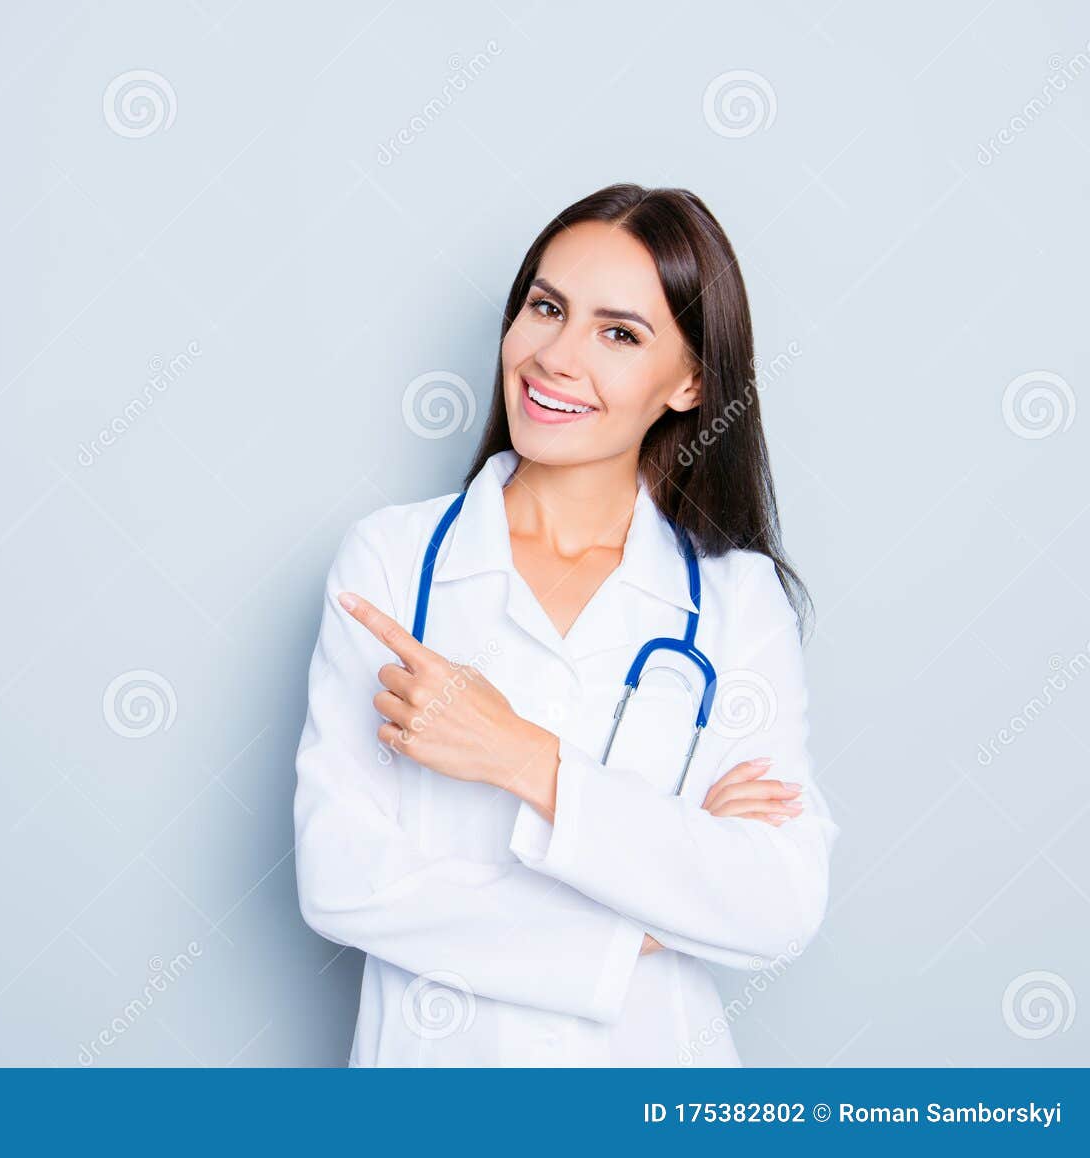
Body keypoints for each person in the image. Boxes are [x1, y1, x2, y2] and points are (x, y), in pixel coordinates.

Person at [292, 183, 840, 1066]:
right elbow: (340, 879)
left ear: (692, 382)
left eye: (619, 334)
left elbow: (777, 903)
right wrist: (652, 917)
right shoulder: (392, 562)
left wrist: (521, 756)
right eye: (546, 308)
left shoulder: (737, 598)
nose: (554, 357)